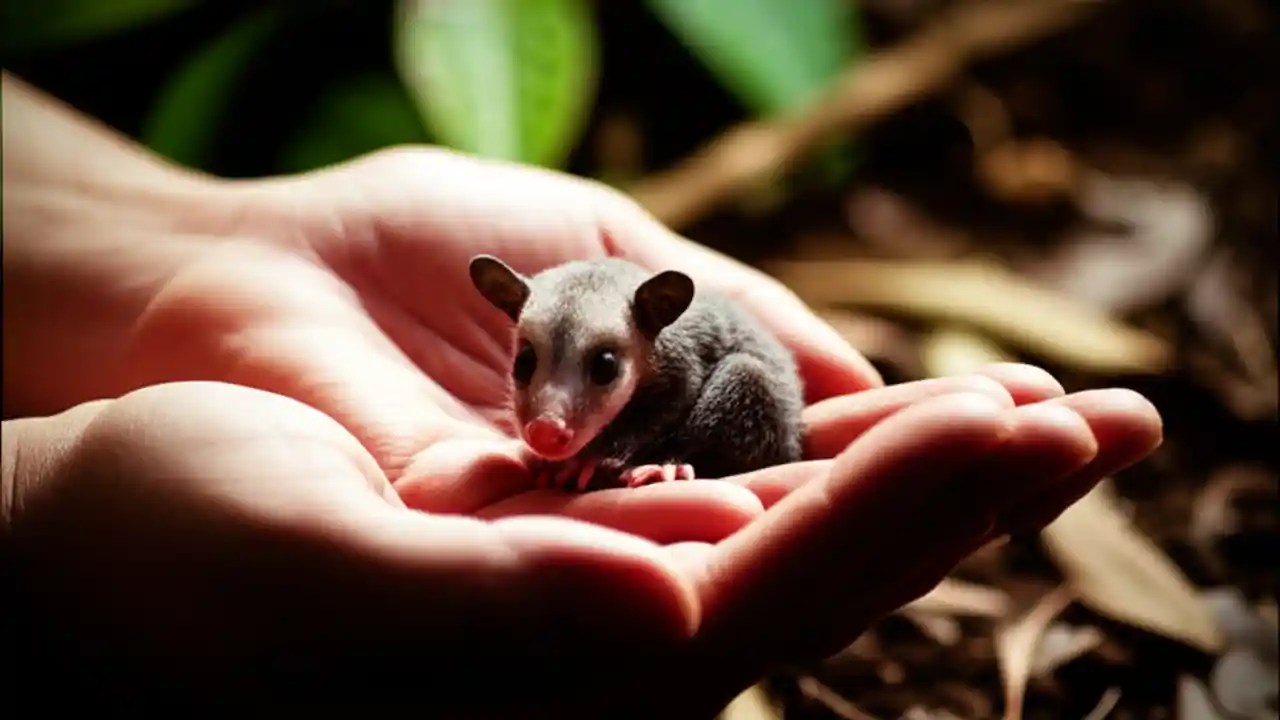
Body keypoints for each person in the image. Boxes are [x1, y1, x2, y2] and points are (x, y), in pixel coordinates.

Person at [0, 71, 1163, 715]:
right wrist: (31, 506)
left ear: (646, 329)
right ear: (503, 314)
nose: (547, 401)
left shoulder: (675, 345)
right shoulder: (573, 323)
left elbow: (728, 393)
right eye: (526, 367)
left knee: (746, 399)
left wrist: (170, 240)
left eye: (597, 368)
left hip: (719, 428)